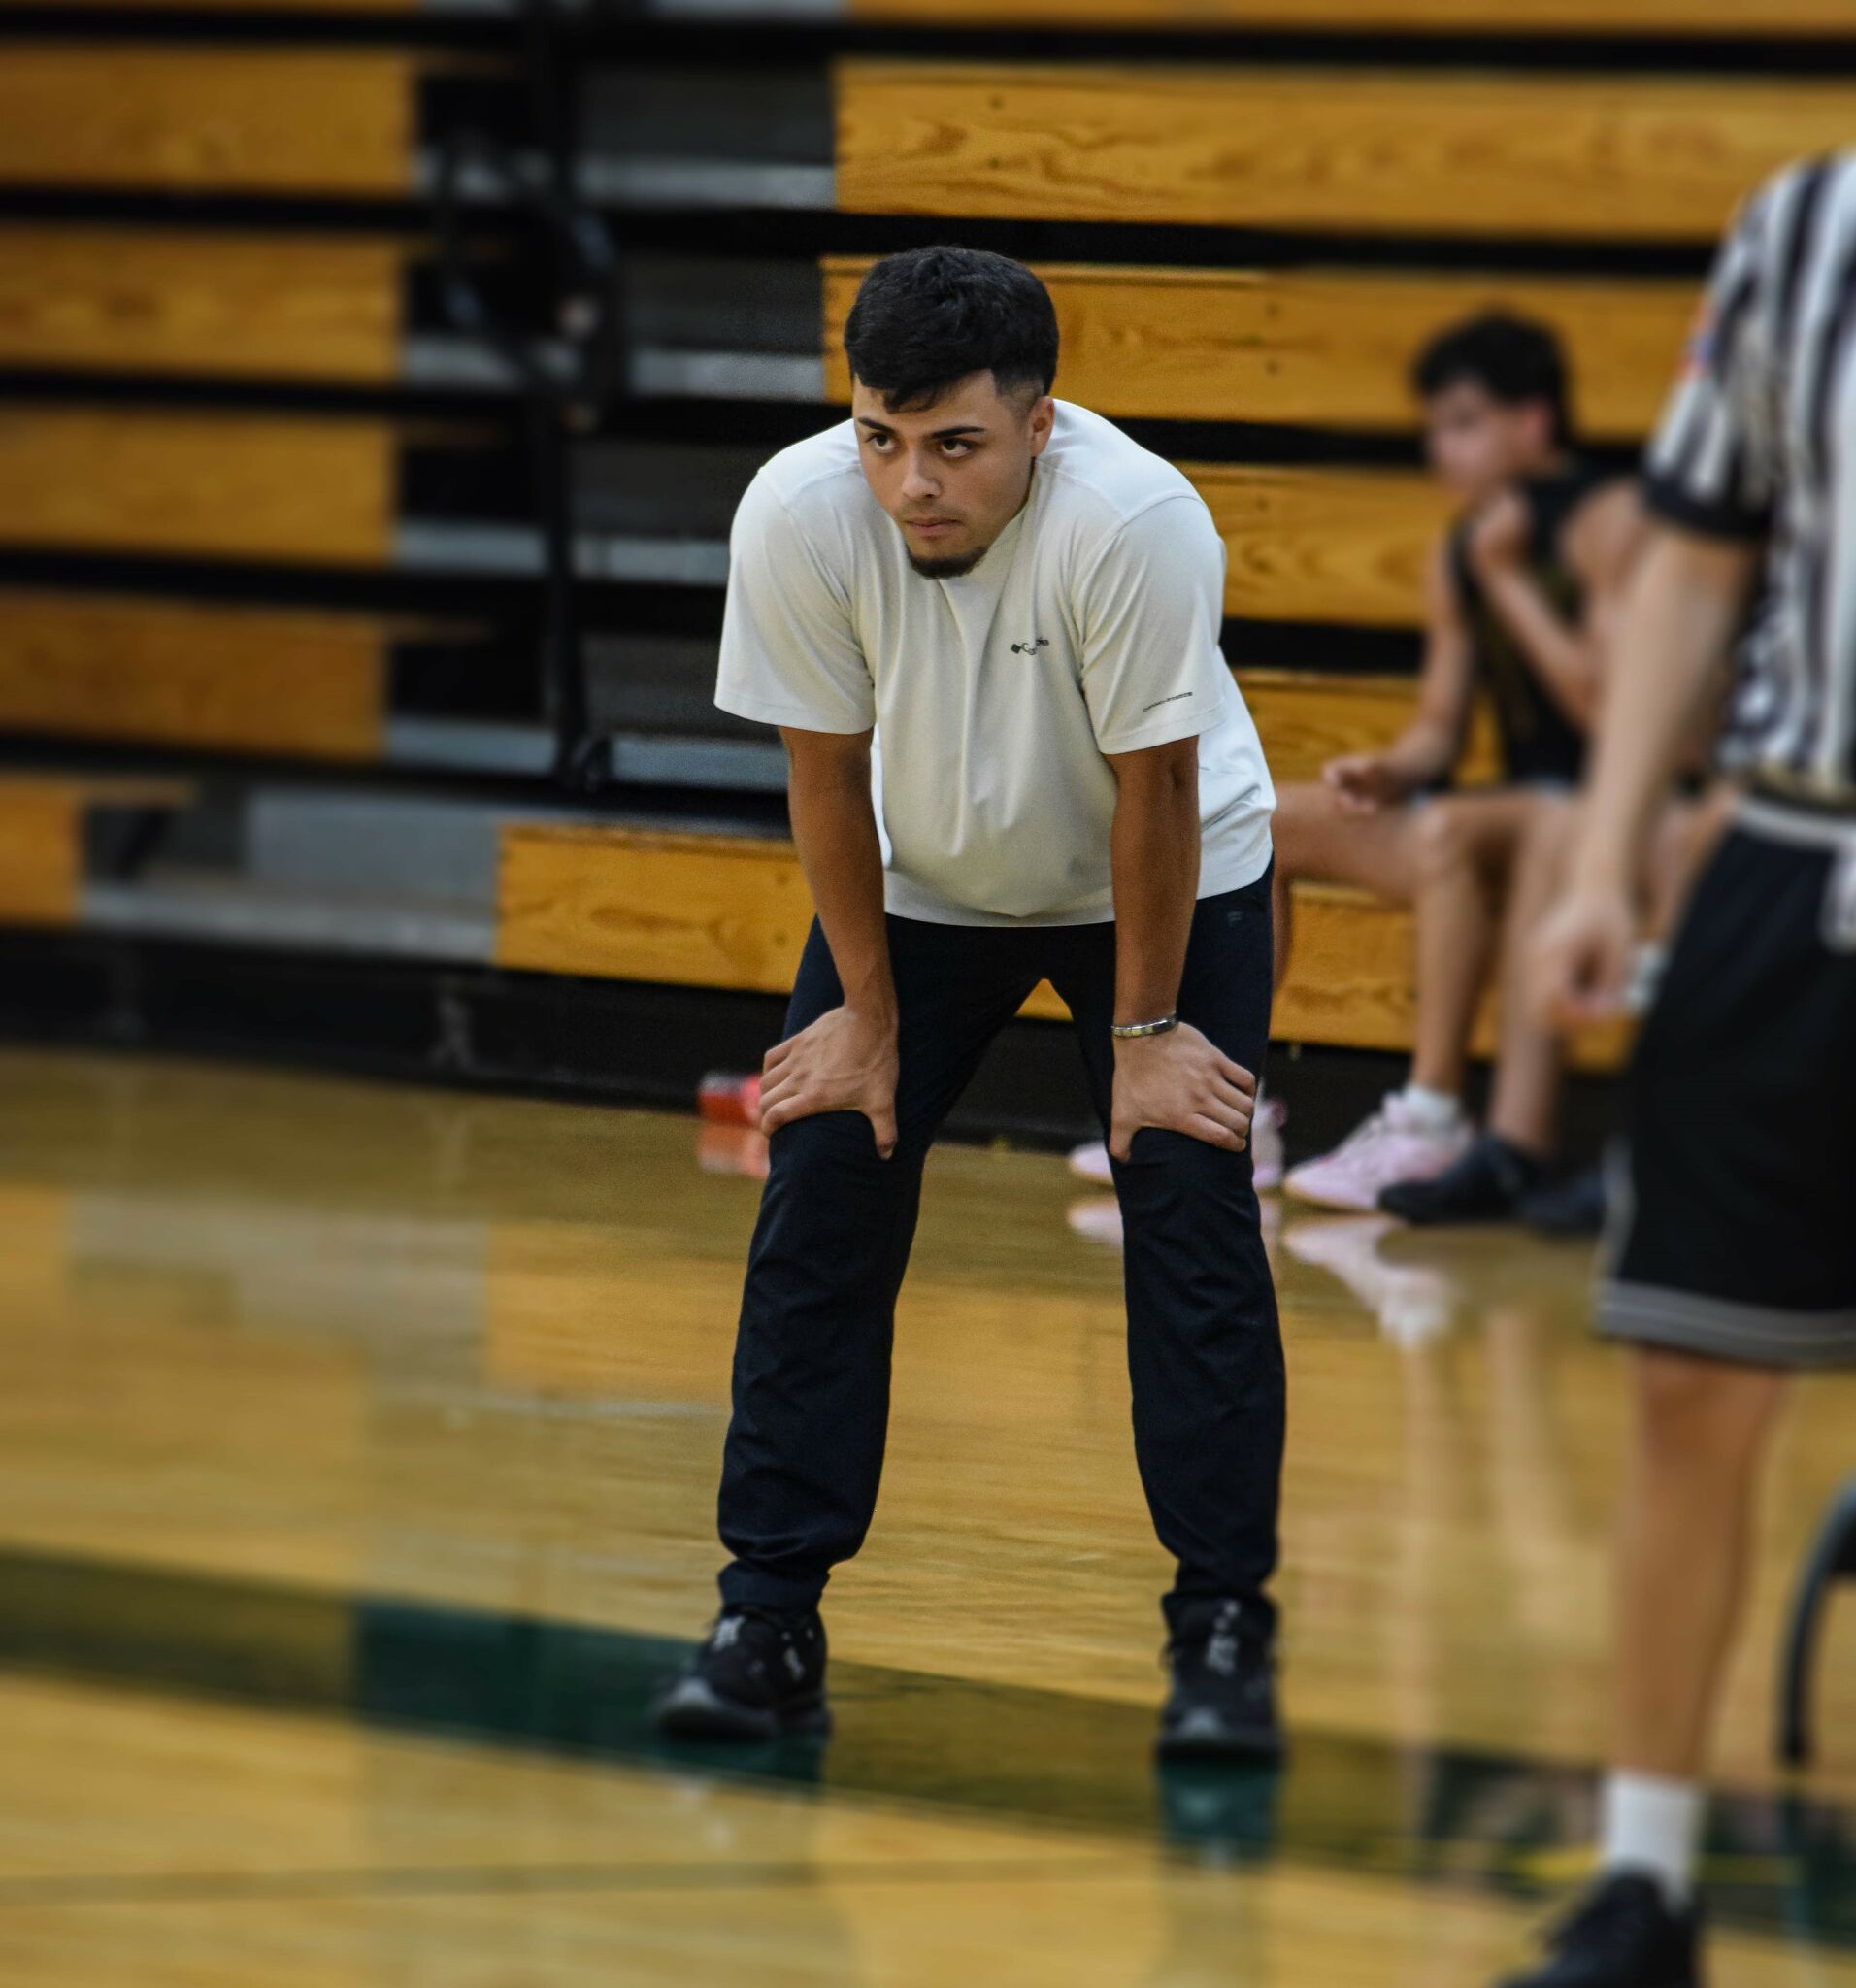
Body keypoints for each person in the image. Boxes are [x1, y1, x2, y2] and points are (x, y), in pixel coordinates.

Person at [652, 247, 1287, 1762]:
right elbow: (824, 774)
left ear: (1039, 423)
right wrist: (864, 1017)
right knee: (822, 1164)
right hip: (925, 879)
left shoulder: (1135, 522)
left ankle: (1220, 1633)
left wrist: (1147, 1042)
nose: (913, 485)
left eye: (955, 445)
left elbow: (1158, 788)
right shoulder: (799, 512)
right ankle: (766, 1617)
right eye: (881, 438)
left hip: (1159, 877)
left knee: (1185, 1192)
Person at [1499, 153, 1856, 1988]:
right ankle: (1645, 1882)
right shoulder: (1803, 232)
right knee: (1685, 1382)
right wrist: (1598, 856)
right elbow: (1699, 560)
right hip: (1796, 853)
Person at [1276, 315, 1643, 1213]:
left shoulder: (1609, 521)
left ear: (1534, 420)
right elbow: (1441, 725)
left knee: (1449, 827)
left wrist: (1509, 581)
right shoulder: (1468, 546)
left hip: (1619, 822)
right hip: (1513, 816)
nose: (1443, 448)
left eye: (1466, 423)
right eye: (1436, 426)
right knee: (1265, 819)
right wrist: (1390, 771)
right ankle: (1225, 1111)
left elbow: (1614, 710)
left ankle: (1432, 1116)